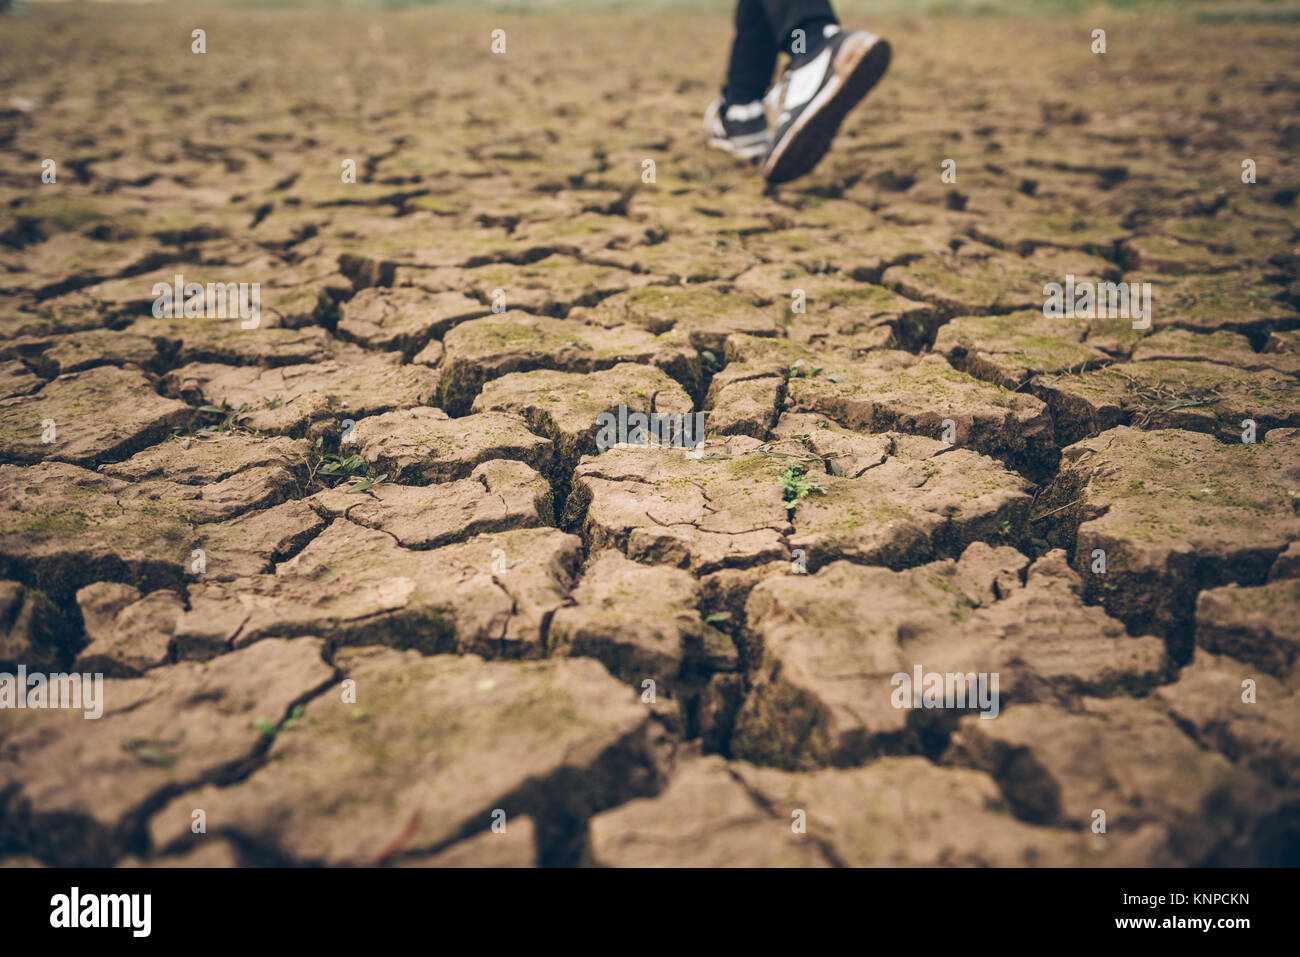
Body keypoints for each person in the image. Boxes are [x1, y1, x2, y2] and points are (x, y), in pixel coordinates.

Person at [704, 0, 891, 184]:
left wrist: (808, 35)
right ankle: (742, 109)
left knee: (803, 37)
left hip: (802, 35)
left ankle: (812, 42)